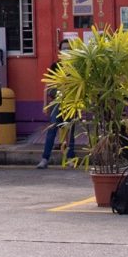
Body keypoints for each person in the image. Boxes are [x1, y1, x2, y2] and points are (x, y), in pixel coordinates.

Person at [37, 38, 79, 169]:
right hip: (57, 102)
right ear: (60, 51)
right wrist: (45, 104)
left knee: (70, 132)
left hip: (71, 102)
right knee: (52, 130)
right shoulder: (55, 66)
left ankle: (70, 158)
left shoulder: (76, 66)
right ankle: (45, 158)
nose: (66, 51)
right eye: (64, 48)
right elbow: (47, 85)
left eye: (68, 48)